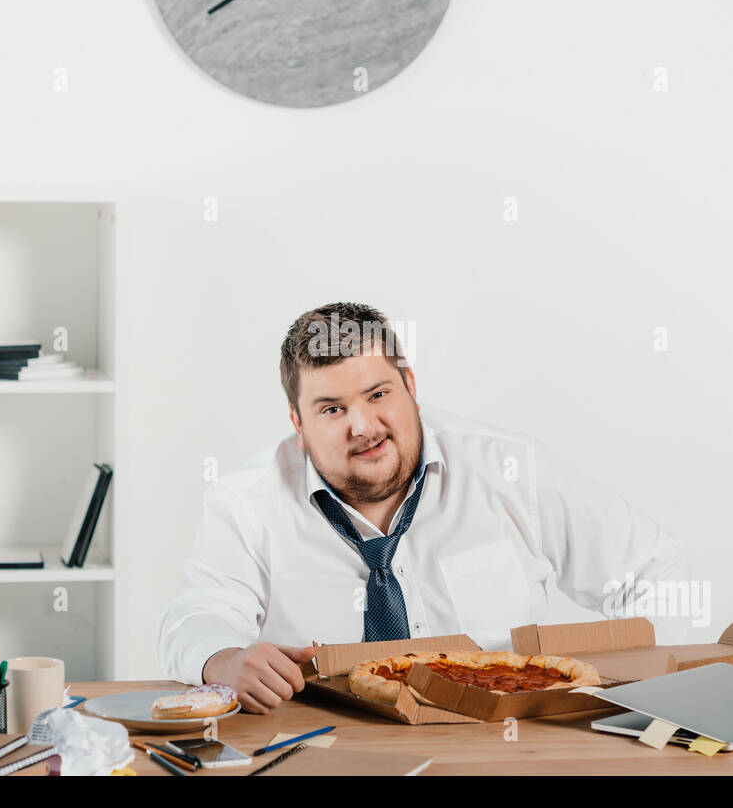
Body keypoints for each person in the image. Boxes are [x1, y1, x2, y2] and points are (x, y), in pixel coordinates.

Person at [157, 302, 689, 713]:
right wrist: (222, 659)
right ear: (298, 422)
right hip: (323, 750)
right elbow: (195, 616)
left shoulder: (509, 469)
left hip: (501, 744)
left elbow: (654, 569)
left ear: (410, 387)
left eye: (378, 395)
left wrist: (650, 699)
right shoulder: (246, 501)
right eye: (332, 409)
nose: (362, 427)